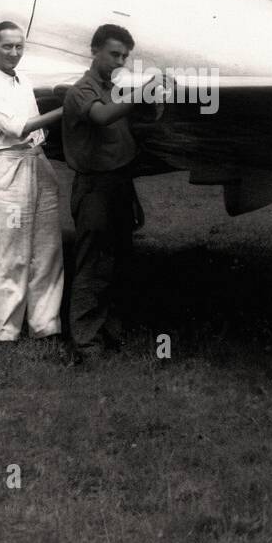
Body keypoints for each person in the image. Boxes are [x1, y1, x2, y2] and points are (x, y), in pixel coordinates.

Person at [62, 24, 156, 361]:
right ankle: (86, 344)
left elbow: (128, 129)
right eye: (114, 54)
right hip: (94, 189)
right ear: (94, 51)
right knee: (92, 265)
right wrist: (143, 92)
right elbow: (101, 117)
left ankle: (110, 333)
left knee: (117, 262)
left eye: (126, 56)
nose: (121, 61)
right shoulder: (81, 91)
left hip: (117, 185)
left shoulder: (115, 90)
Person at [0, 21, 65, 343]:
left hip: (37, 163)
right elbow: (18, 127)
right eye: (7, 47)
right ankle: (7, 331)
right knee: (12, 254)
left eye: (19, 47)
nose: (14, 53)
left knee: (47, 250)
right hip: (7, 170)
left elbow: (36, 131)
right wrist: (69, 108)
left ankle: (45, 326)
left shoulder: (23, 81)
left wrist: (42, 135)